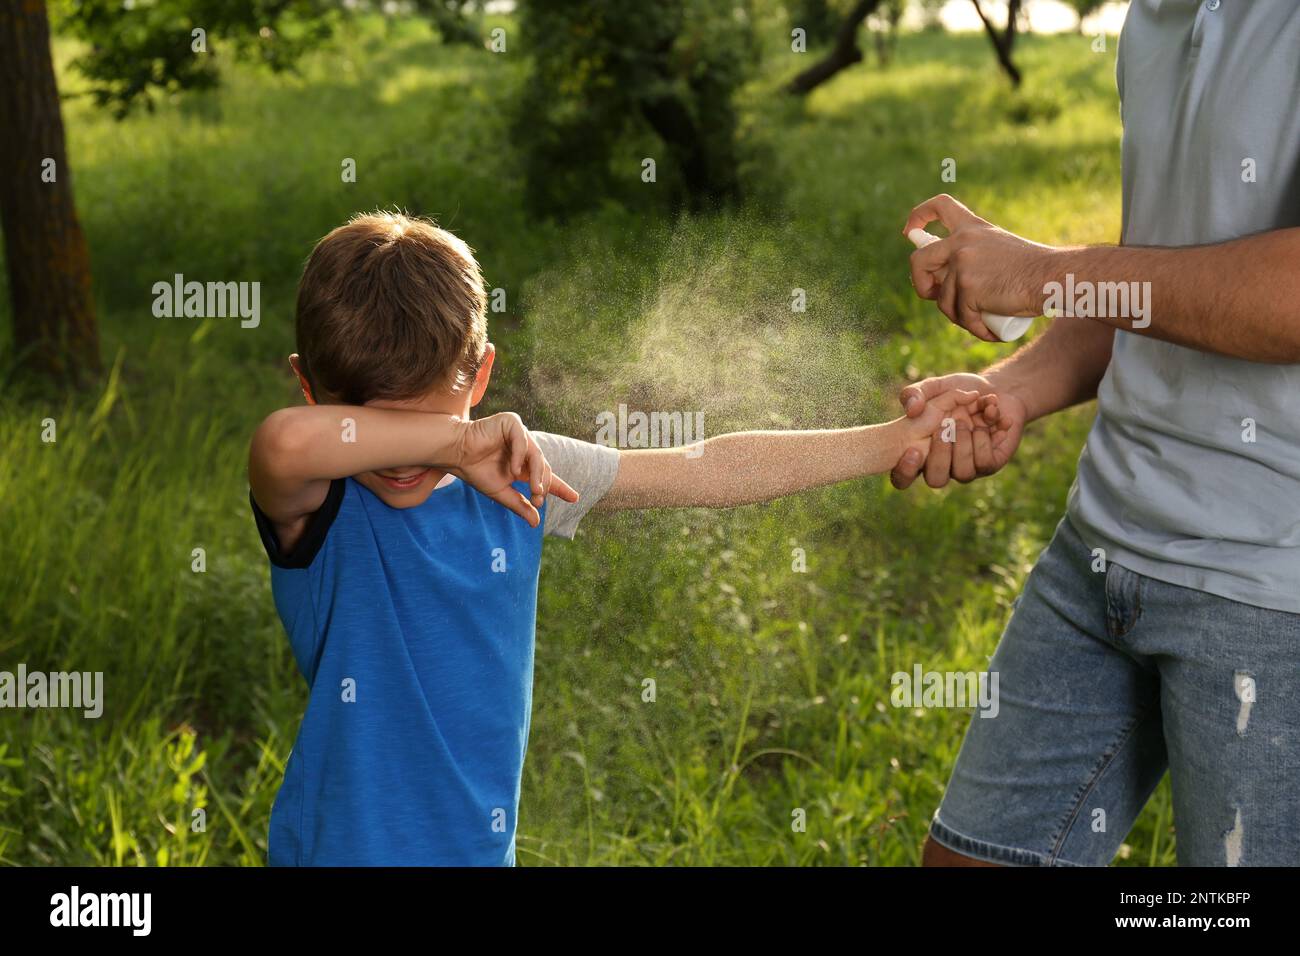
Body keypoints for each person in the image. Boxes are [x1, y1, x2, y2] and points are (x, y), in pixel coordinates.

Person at [248, 210, 996, 865]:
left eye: (433, 421)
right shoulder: (322, 500)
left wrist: (894, 437)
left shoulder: (521, 469)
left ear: (480, 378)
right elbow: (282, 445)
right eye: (388, 428)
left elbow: (706, 467)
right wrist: (449, 442)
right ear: (311, 387)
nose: (411, 455)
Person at [894, 0, 1300, 866]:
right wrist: (1009, 391)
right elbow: (1164, 273)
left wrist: (1041, 272)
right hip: (1103, 551)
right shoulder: (1153, 19)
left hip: (1271, 588)